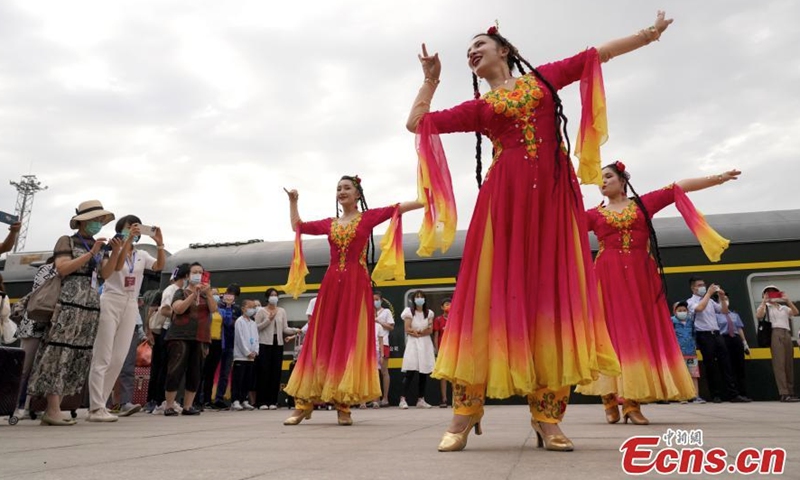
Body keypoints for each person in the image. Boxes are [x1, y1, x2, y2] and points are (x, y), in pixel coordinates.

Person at [406, 12, 678, 451]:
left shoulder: (544, 80)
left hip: (553, 202)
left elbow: (598, 55)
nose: (473, 53)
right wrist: (431, 80)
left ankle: (547, 416)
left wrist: (649, 35)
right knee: (486, 297)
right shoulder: (479, 107)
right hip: (504, 204)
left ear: (505, 50)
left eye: (480, 44)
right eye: (468, 52)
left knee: (554, 298)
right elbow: (418, 124)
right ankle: (465, 410)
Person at [575, 162, 740, 423]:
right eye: (599, 179)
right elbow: (562, 223)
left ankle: (631, 402)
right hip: (608, 277)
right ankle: (608, 395)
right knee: (609, 333)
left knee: (637, 334)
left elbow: (679, 187)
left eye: (608, 176)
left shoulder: (642, 205)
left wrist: (718, 178)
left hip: (641, 276)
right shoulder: (593, 215)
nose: (603, 182)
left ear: (622, 179)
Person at [281, 175, 422, 426]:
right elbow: (297, 226)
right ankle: (304, 403)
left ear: (358, 194)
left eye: (347, 188)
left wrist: (427, 197)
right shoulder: (330, 223)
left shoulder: (367, 218)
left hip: (356, 285)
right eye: (338, 188)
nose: (342, 191)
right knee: (320, 337)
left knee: (347, 341)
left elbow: (399, 208)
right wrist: (293, 201)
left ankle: (343, 404)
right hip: (331, 284)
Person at [27, 200, 115, 426]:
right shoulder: (67, 240)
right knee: (59, 353)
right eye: (95, 219)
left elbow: (105, 273)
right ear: (83, 220)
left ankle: (59, 406)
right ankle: (52, 409)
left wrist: (116, 251)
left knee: (78, 355)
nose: (98, 223)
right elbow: (63, 268)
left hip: (89, 305)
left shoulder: (97, 244)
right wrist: (91, 254)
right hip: (68, 303)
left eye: (100, 220)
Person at [87, 215, 165, 422]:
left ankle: (101, 405)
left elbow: (158, 266)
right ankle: (95, 407)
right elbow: (112, 270)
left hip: (131, 303)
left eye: (137, 228)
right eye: (130, 227)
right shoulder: (111, 249)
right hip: (111, 299)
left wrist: (159, 244)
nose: (134, 230)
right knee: (103, 355)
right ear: (121, 229)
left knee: (119, 358)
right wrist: (127, 241)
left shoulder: (141, 255)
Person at [163, 262, 218, 416]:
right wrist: (194, 294)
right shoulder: (180, 292)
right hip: (180, 336)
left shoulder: (207, 294)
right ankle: (169, 405)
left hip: (201, 337)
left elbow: (213, 309)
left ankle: (188, 406)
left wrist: (207, 294)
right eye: (194, 272)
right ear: (187, 276)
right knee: (175, 370)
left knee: (195, 371)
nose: (198, 275)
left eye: (200, 272)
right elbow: (178, 308)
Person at [687, 276, 750, 404]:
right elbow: (699, 309)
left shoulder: (710, 301)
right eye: (699, 285)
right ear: (693, 288)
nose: (703, 287)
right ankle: (715, 394)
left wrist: (721, 297)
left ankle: (733, 394)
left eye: (703, 284)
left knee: (725, 363)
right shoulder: (690, 301)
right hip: (703, 335)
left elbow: (724, 311)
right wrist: (709, 293)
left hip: (717, 334)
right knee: (710, 365)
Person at [13, 257, 58, 418]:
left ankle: (31, 406)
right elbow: (43, 293)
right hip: (33, 324)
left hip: (50, 328)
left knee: (40, 369)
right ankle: (15, 405)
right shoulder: (46, 270)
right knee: (24, 368)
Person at [254, 288, 299, 410]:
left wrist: (296, 330)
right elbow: (256, 327)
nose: (274, 297)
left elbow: (285, 328)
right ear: (267, 297)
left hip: (277, 343)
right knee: (264, 372)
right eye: (271, 295)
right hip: (264, 344)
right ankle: (262, 401)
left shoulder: (282, 311)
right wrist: (268, 319)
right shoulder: (261, 311)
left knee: (275, 372)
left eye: (276, 295)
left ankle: (273, 400)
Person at [756, 286, 800, 402]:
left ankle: (790, 391)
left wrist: (787, 300)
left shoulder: (784, 308)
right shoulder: (766, 307)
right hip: (775, 333)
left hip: (787, 333)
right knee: (779, 364)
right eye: (769, 293)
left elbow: (795, 312)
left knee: (788, 364)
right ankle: (784, 393)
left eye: (774, 293)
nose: (772, 295)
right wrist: (764, 301)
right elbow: (759, 315)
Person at [399, 291, 435, 409]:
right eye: (417, 297)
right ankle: (403, 399)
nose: (419, 299)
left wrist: (420, 332)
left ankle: (421, 399)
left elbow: (430, 329)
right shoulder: (409, 312)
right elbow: (407, 328)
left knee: (423, 373)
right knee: (410, 371)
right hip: (413, 343)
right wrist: (415, 333)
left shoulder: (429, 313)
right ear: (413, 300)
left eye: (421, 297)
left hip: (425, 343)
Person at [206, 284, 241, 409]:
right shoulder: (217, 307)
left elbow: (233, 323)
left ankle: (219, 398)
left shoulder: (237, 309)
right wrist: (226, 308)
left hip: (230, 344)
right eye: (228, 293)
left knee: (225, 373)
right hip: (218, 342)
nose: (229, 296)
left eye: (233, 295)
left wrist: (230, 309)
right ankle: (205, 398)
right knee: (209, 371)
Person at [671, 301, 705, 404]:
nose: (682, 312)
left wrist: (693, 344)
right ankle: (682, 396)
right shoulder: (671, 321)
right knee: (680, 375)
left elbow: (694, 334)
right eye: (679, 310)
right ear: (675, 311)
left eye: (684, 310)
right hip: (678, 354)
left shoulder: (690, 321)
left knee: (694, 375)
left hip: (691, 353)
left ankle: (695, 396)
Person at [716, 307, 750, 401]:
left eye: (726, 299)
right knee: (727, 367)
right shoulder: (716, 316)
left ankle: (743, 393)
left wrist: (745, 343)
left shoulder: (734, 314)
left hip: (736, 338)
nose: (725, 301)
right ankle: (733, 394)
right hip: (724, 338)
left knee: (740, 366)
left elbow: (739, 329)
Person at [232, 299, 259, 411]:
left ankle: (244, 399)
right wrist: (247, 352)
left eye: (254, 307)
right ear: (243, 309)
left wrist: (255, 351)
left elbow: (256, 338)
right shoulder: (239, 321)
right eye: (250, 307)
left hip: (251, 357)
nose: (252, 309)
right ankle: (235, 400)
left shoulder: (253, 323)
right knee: (239, 379)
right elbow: (240, 338)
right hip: (241, 356)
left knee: (247, 379)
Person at [374, 291, 394, 407]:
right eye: (373, 299)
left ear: (381, 300)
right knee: (374, 372)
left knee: (384, 371)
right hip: (371, 345)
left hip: (384, 344)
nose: (374, 301)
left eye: (377, 299)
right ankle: (375, 399)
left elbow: (391, 327)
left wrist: (379, 321)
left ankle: (385, 398)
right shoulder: (368, 312)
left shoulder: (386, 312)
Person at [433, 298, 451, 407]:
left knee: (454, 376)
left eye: (450, 304)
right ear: (442, 307)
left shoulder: (456, 318)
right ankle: (444, 399)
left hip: (453, 351)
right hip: (442, 351)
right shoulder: (438, 320)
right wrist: (437, 350)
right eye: (447, 304)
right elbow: (436, 336)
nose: (448, 306)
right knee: (443, 376)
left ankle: (455, 399)